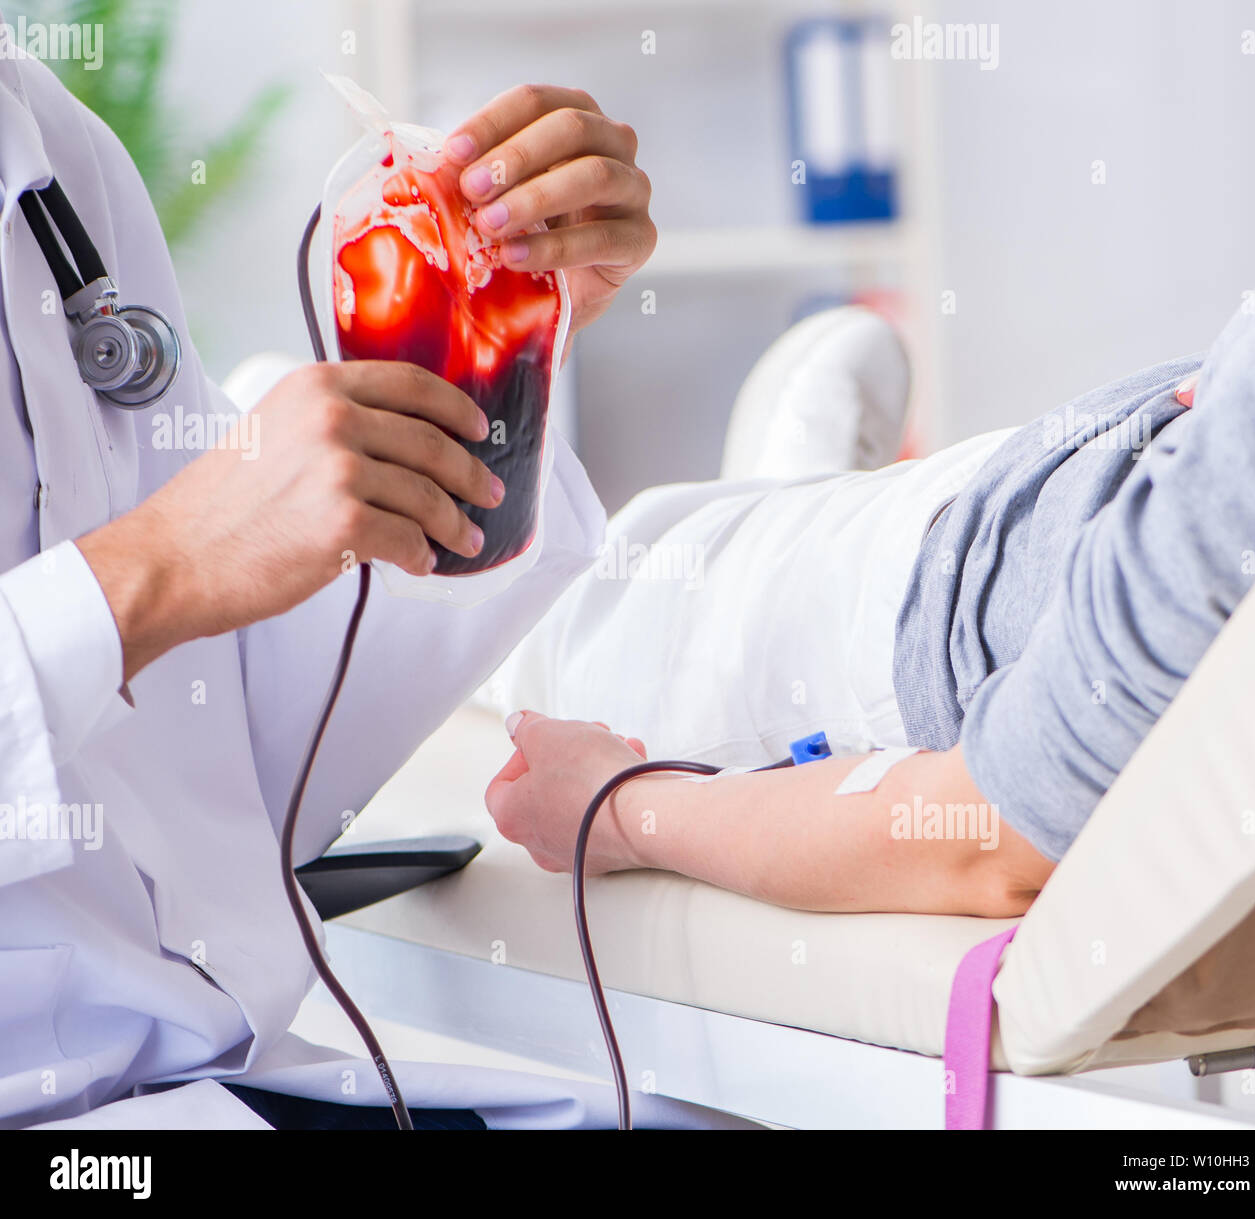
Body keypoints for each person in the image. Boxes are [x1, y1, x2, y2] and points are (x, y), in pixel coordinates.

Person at [0, 37, 726, 1130]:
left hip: (193, 1080)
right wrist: (154, 570)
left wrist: (489, 356)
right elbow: (153, 587)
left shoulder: (47, 143)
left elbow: (226, 779)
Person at [483, 258, 1255, 918]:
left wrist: (618, 810)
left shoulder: (1249, 511)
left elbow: (984, 842)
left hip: (902, 640)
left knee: (549, 620)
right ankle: (785, 491)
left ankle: (777, 508)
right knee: (729, 532)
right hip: (1018, 483)